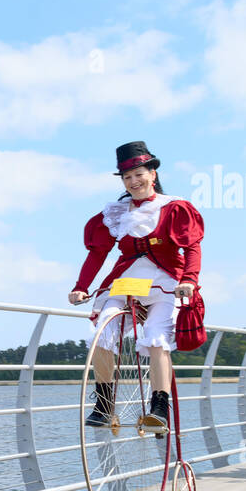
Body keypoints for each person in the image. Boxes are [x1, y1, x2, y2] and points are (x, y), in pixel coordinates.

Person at [70, 142, 204, 433]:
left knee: (156, 336)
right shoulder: (115, 214)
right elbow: (97, 254)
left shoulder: (174, 207)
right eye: (127, 177)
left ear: (152, 173)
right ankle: (105, 405)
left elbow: (192, 247)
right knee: (103, 328)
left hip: (166, 282)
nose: (133, 182)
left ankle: (159, 408)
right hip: (127, 281)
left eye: (138, 174)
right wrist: (81, 287)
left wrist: (189, 281)